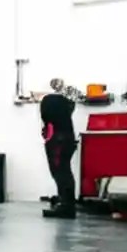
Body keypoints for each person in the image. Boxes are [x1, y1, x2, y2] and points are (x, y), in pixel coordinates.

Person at [39, 78, 77, 219]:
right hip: (66, 139)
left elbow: (46, 117)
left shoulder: (50, 103)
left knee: (61, 173)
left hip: (58, 140)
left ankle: (66, 206)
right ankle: (66, 203)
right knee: (64, 172)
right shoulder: (66, 108)